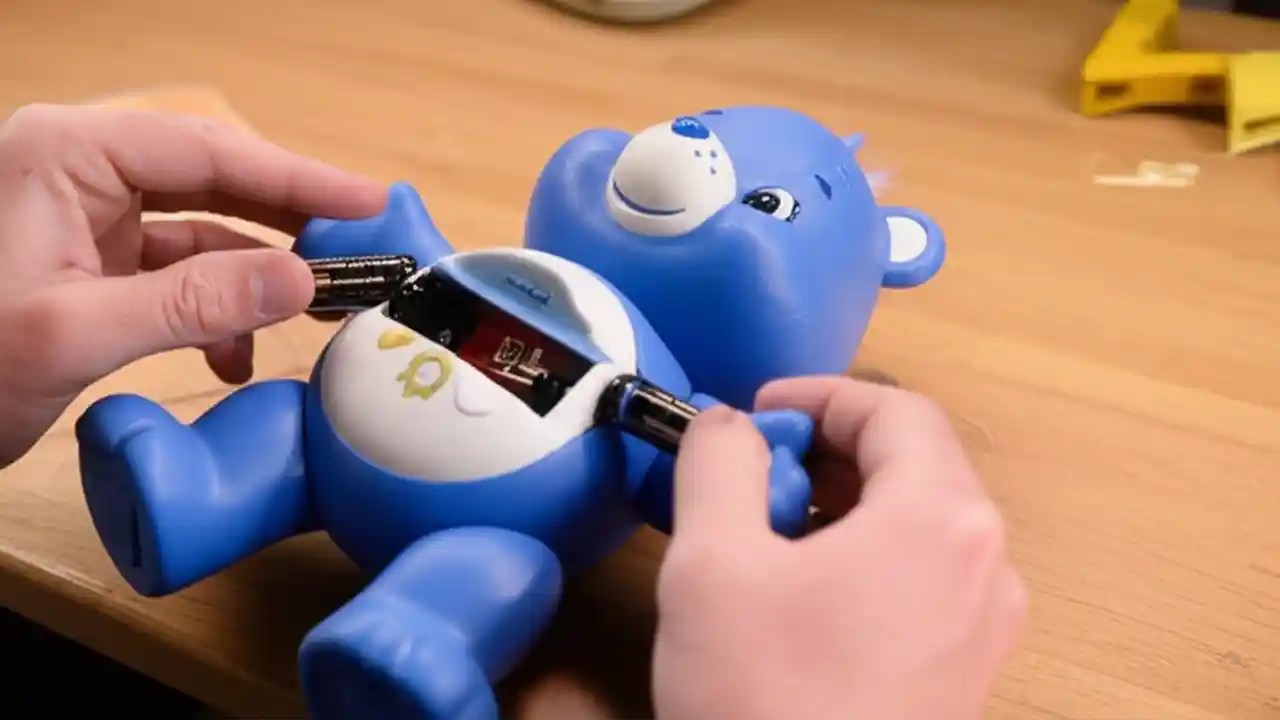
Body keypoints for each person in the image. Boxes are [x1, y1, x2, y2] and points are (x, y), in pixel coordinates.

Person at [0, 103, 1026, 719]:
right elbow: (411, 269)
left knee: (508, 565)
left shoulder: (675, 404)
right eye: (697, 125)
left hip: (485, 521)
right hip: (333, 423)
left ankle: (412, 635)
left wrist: (763, 469)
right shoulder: (525, 273)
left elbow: (703, 474)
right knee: (281, 417)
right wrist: (370, 234)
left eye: (767, 205)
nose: (679, 150)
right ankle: (191, 495)